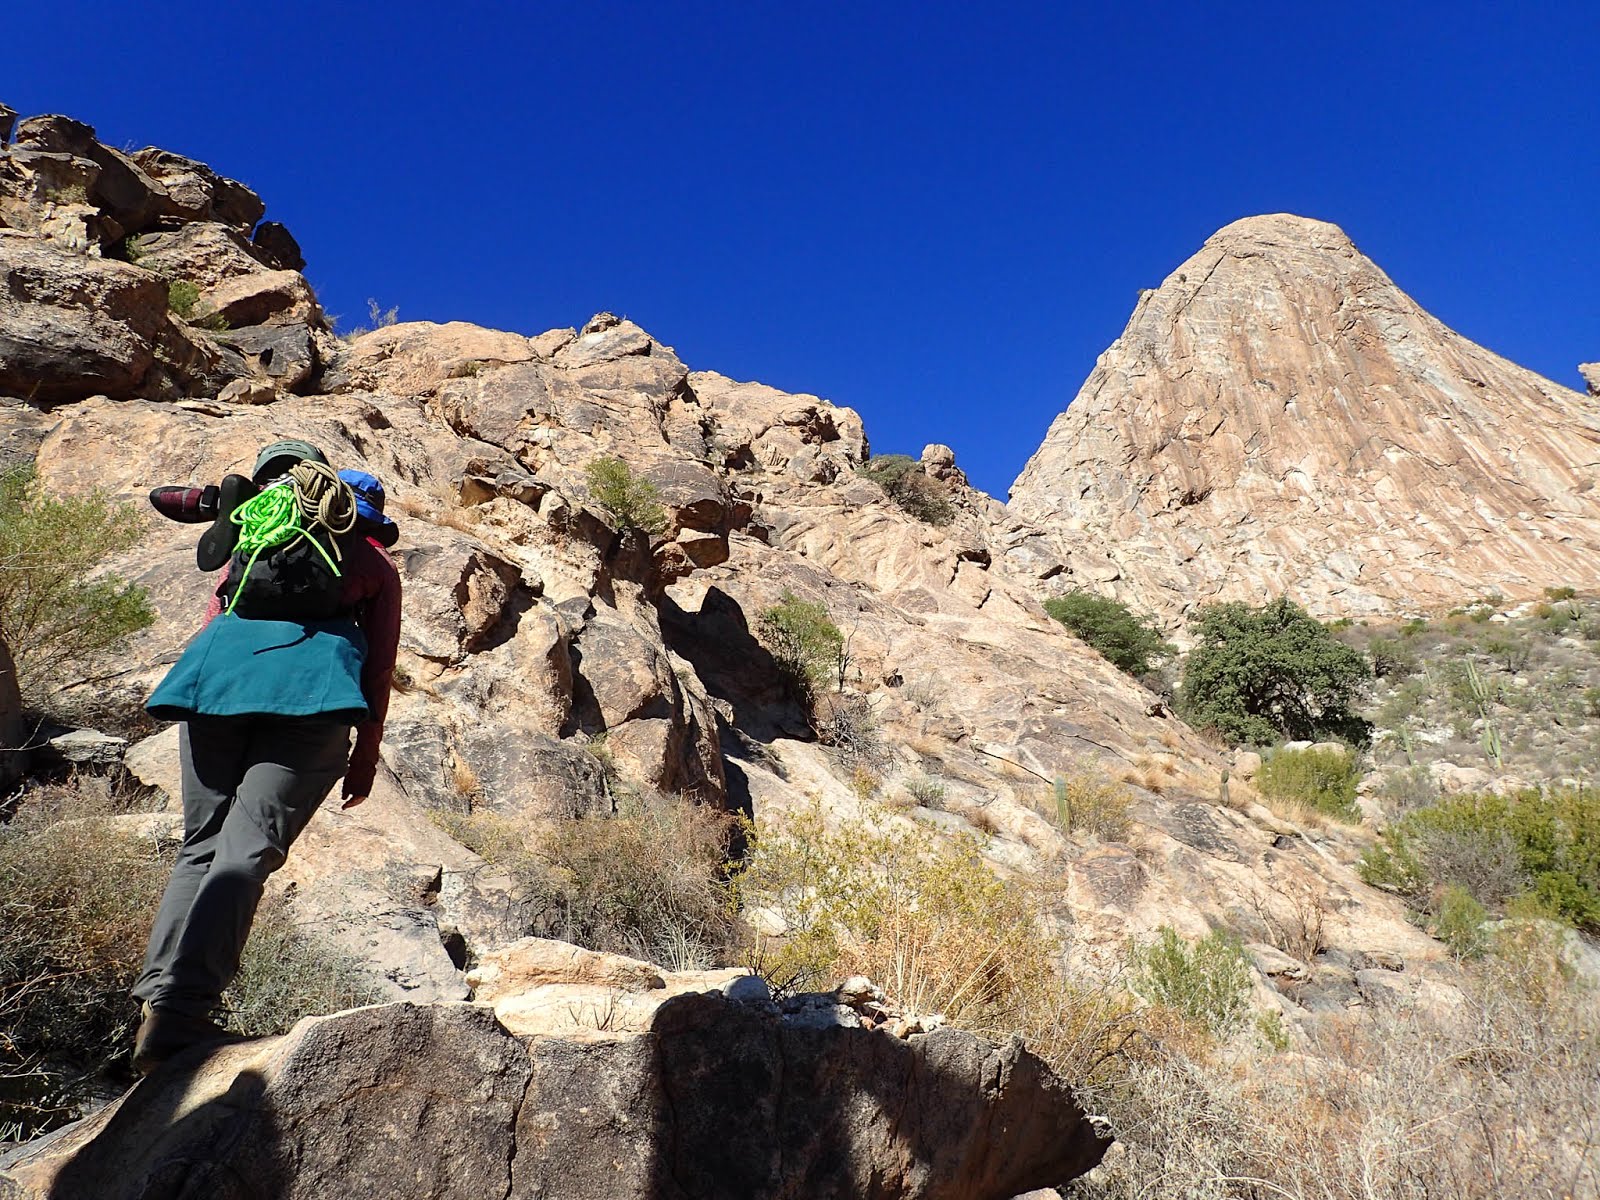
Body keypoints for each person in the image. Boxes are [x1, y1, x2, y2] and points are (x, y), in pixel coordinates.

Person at [131, 441, 401, 1073]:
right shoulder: (367, 557)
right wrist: (363, 759)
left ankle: (154, 1007)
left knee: (199, 848)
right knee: (244, 854)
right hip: (311, 705)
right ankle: (182, 1014)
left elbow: (214, 620)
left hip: (213, 689)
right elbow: (381, 665)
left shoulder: (247, 540)